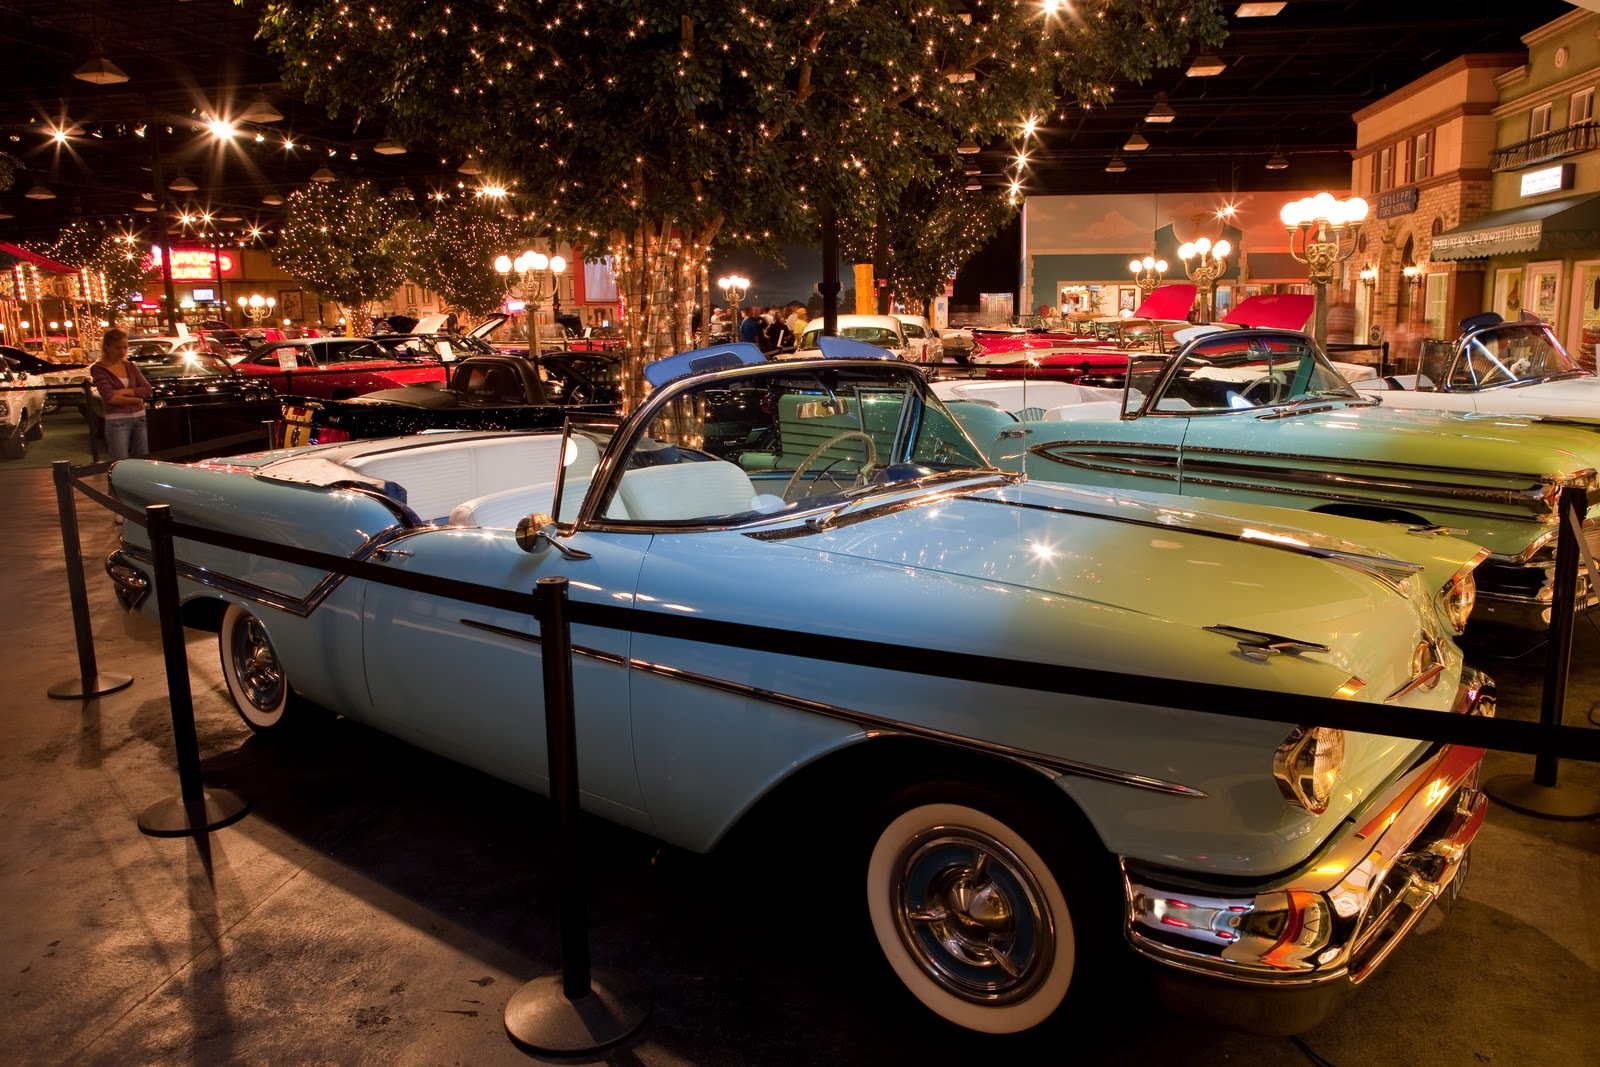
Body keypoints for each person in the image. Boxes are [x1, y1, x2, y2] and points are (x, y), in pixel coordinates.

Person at [91, 328, 154, 464]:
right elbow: (110, 398)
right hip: (117, 420)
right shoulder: (99, 368)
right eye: (117, 348)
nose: (122, 351)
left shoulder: (130, 366)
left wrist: (124, 391)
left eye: (125, 347)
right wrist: (137, 399)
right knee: (120, 463)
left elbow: (147, 390)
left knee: (143, 462)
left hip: (139, 418)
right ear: (107, 347)